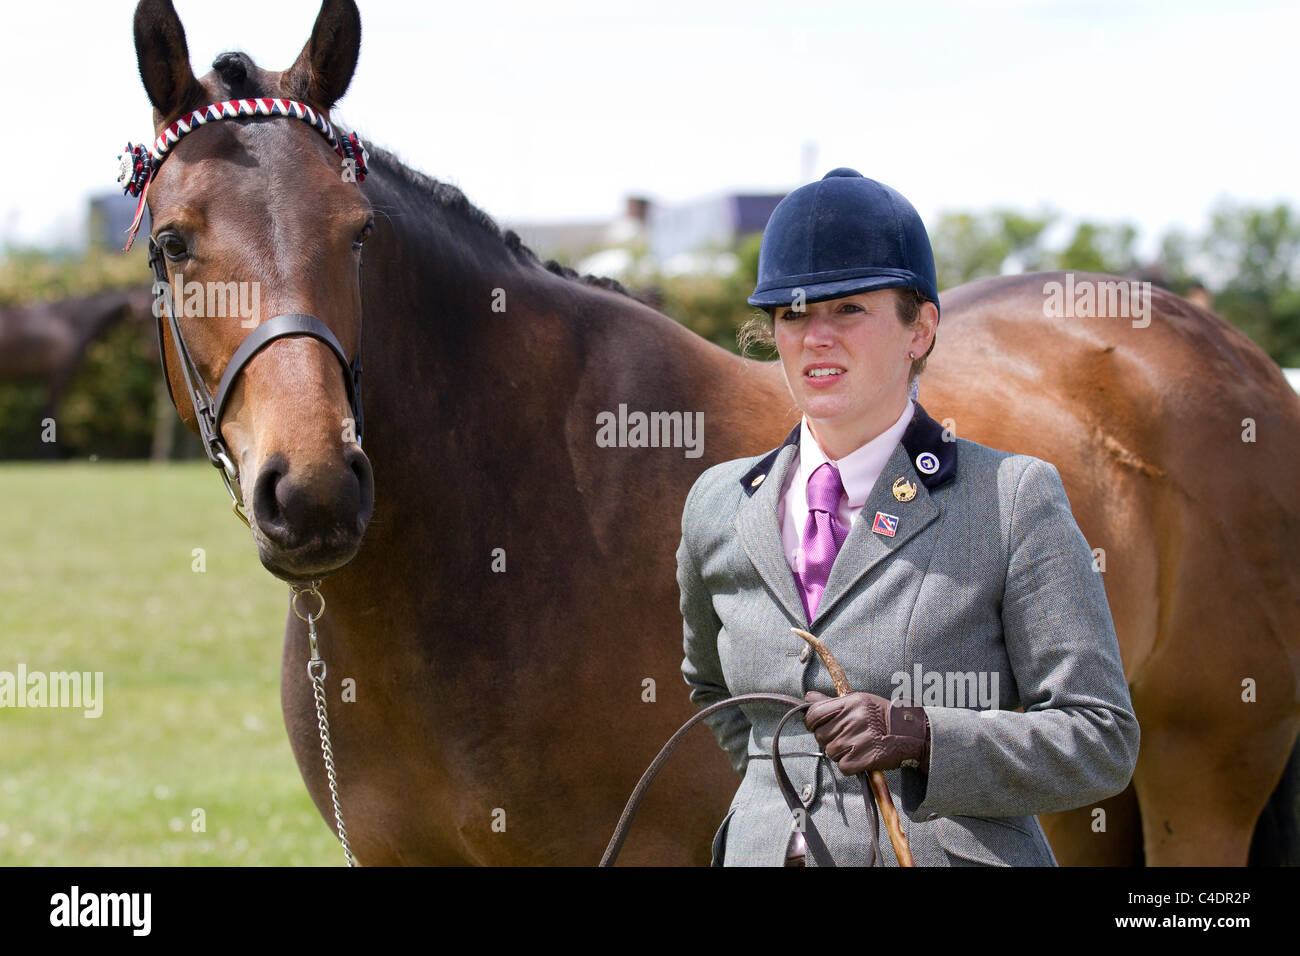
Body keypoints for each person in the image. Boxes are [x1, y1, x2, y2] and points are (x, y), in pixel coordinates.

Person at [678, 168, 1140, 866]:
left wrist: (926, 737)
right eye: (793, 314)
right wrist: (780, 802)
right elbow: (713, 689)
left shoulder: (1013, 498)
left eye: (848, 310)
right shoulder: (718, 504)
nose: (815, 338)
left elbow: (1100, 738)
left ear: (919, 328)